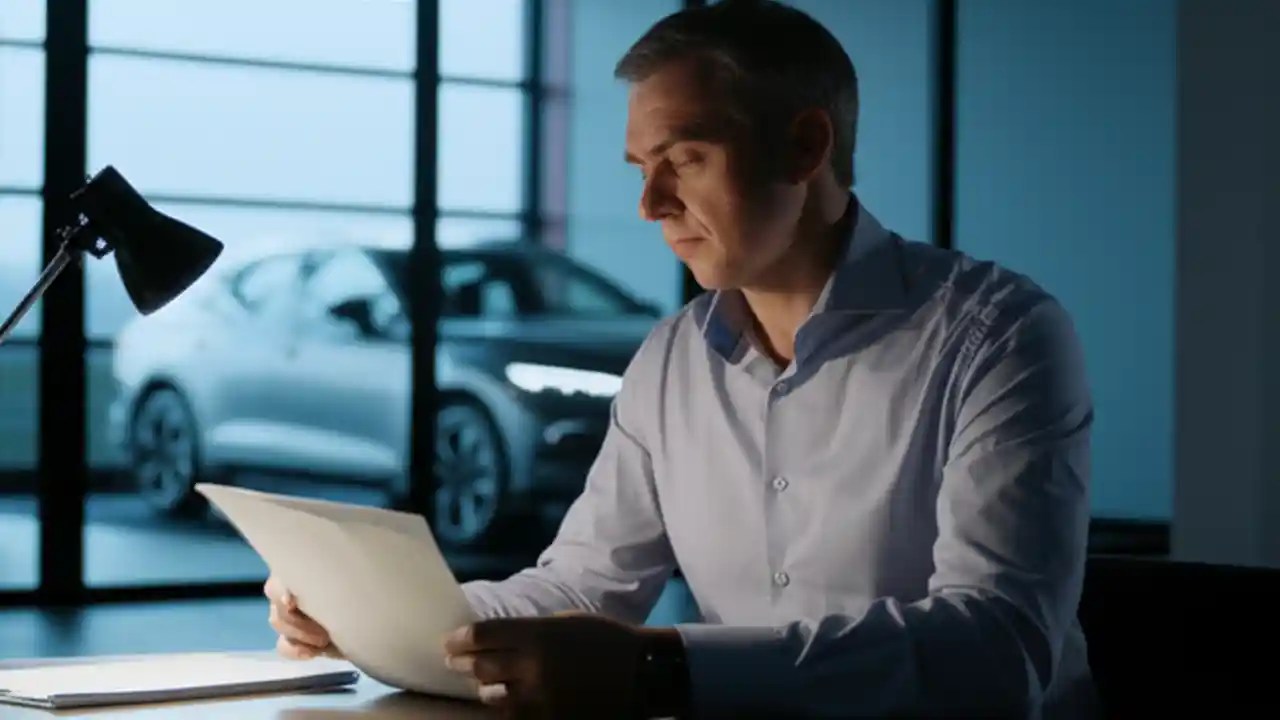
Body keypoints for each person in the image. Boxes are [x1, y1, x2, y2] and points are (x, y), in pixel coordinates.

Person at [266, 1, 1100, 717]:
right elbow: (583, 587)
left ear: (806, 148)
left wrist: (662, 667)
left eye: (686, 161)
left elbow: (996, 649)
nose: (650, 205)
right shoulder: (672, 358)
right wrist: (382, 619)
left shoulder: (999, 336)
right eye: (642, 169)